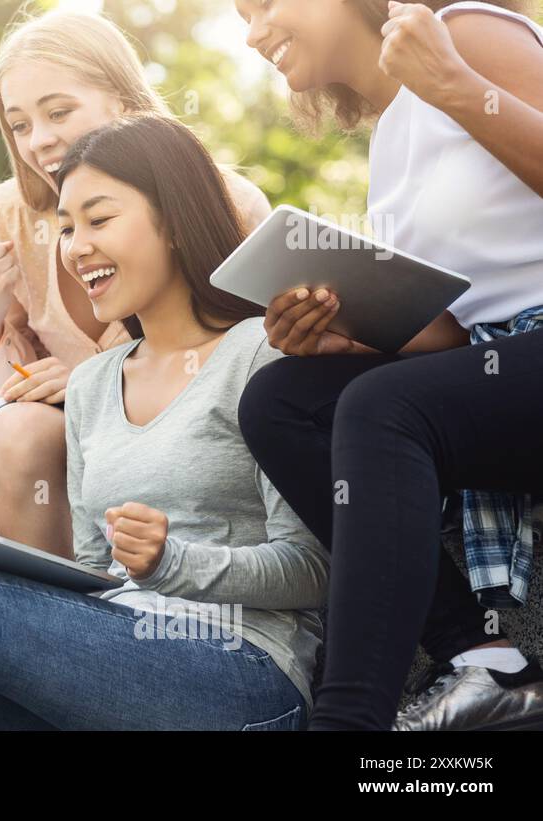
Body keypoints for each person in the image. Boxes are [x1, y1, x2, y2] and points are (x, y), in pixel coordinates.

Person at [0, 115, 328, 730]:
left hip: (244, 670)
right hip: (117, 651)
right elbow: (95, 574)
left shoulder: (260, 352)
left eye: (99, 219)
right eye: (66, 227)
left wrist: (173, 562)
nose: (76, 246)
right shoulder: (92, 383)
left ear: (175, 221)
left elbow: (314, 570)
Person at [233, 0, 543, 730]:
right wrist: (349, 336)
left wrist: (454, 83)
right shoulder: (389, 140)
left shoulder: (465, 33)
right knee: (282, 399)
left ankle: (347, 722)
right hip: (507, 369)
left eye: (264, 4)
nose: (252, 33)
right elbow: (452, 338)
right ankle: (483, 658)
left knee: (380, 406)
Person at [0, 9, 272, 559]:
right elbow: (10, 387)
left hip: (172, 432)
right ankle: (36, 620)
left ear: (123, 100)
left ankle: (53, 622)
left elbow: (247, 359)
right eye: (20, 124)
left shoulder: (225, 202)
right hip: (56, 441)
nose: (40, 142)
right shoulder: (7, 217)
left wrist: (87, 380)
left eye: (59, 112)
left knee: (15, 447)